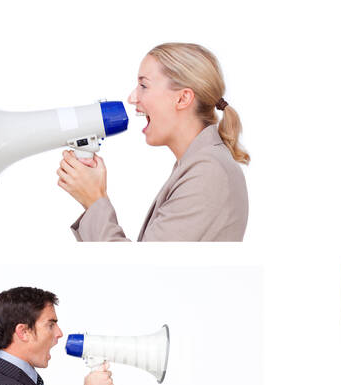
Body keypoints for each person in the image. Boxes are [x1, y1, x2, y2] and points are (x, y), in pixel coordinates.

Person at [60, 43, 248, 242]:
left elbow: (139, 271)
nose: (132, 98)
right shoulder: (200, 164)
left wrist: (95, 200)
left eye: (144, 86)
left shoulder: (208, 172)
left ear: (183, 98)